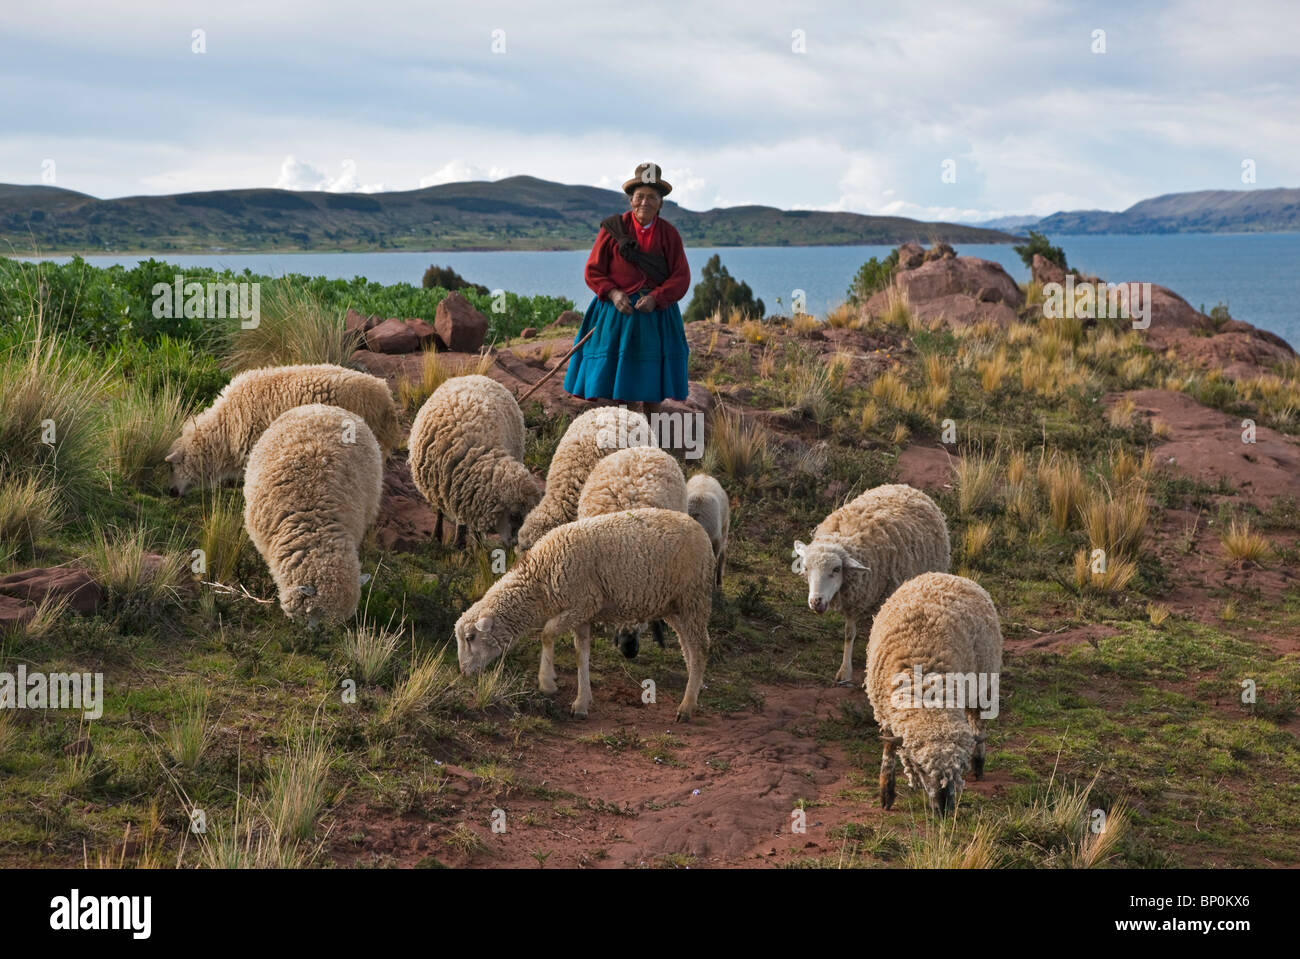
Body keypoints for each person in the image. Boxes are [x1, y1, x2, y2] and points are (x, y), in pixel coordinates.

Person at [563, 162, 692, 418]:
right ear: (631, 200)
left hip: (655, 315)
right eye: (639, 196)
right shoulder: (613, 229)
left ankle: (651, 441)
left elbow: (681, 277)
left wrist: (657, 297)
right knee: (621, 385)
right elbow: (593, 270)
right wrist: (613, 293)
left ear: (660, 203)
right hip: (617, 313)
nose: (645, 202)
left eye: (652, 197)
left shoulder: (669, 235)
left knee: (653, 384)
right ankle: (625, 438)